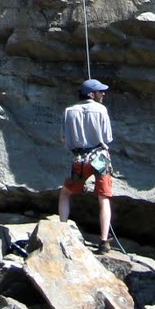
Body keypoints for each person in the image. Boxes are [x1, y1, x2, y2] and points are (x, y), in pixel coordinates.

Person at [59, 76, 114, 252]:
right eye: (100, 91)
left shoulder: (68, 111)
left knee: (66, 193)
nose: (103, 94)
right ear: (91, 94)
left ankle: (62, 230)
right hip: (100, 158)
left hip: (80, 160)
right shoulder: (101, 110)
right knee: (103, 198)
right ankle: (104, 241)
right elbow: (107, 138)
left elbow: (64, 140)